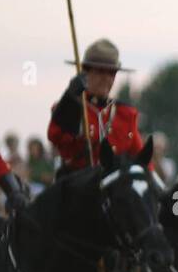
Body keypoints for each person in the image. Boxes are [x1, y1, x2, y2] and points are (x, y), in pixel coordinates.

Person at [47, 38, 145, 172]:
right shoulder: (70, 106)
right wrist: (70, 97)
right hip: (77, 186)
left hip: (114, 188)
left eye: (111, 73)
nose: (106, 78)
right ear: (85, 72)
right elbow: (55, 136)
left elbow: (141, 160)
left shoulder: (126, 114)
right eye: (100, 71)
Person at [0, 131, 30, 213]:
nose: (11, 145)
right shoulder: (7, 158)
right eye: (9, 142)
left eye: (12, 142)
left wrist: (14, 190)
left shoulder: (19, 159)